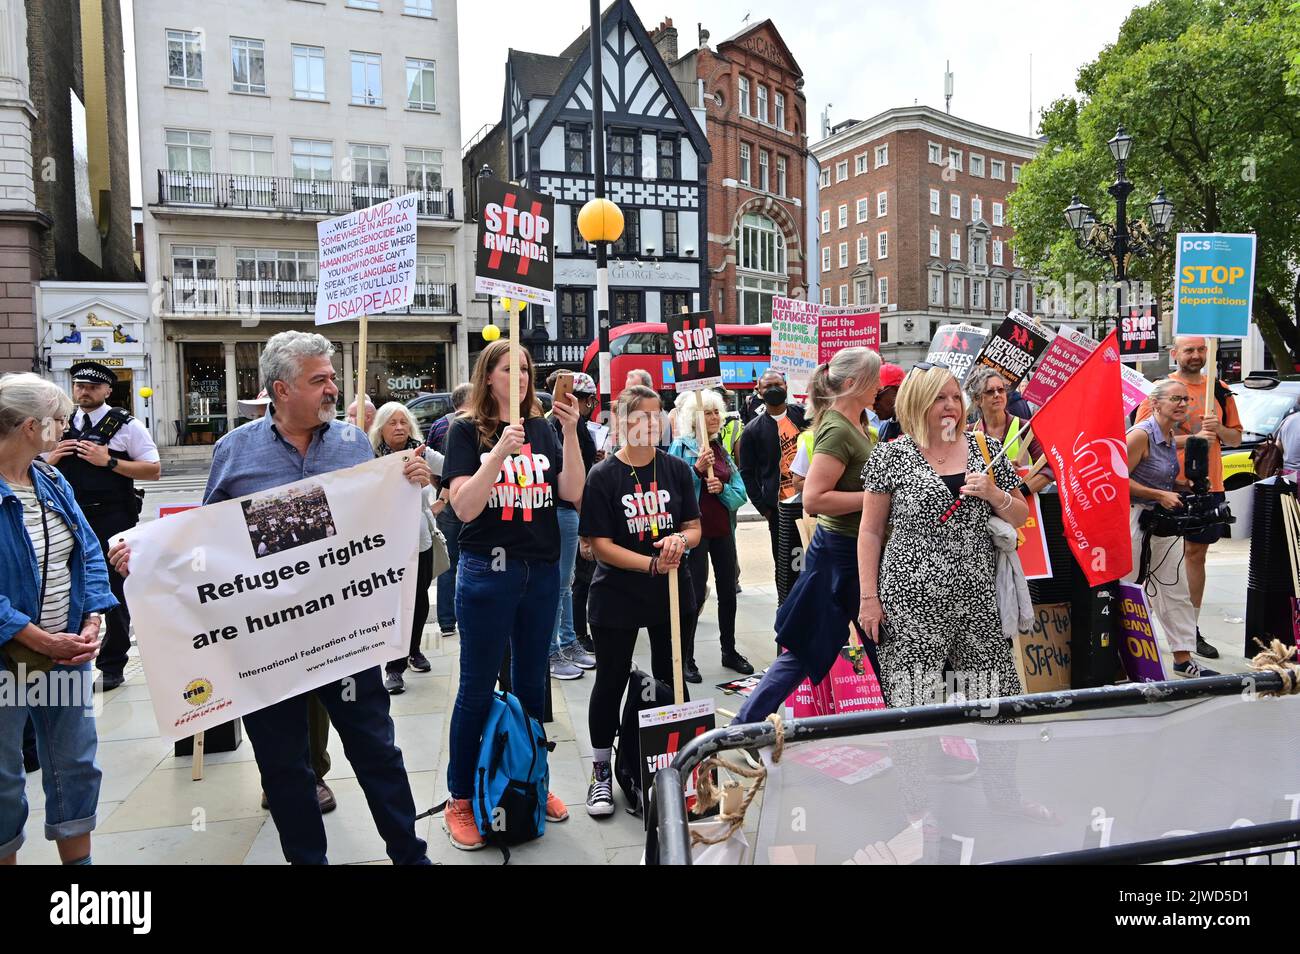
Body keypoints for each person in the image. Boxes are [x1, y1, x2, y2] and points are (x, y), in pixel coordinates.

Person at [109, 331, 434, 865]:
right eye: (320, 380)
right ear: (281, 390)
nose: (334, 388)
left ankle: (409, 854)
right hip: (267, 649)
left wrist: (411, 481)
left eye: (332, 377)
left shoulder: (354, 444)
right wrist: (143, 555)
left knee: (377, 750)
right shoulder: (234, 451)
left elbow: (375, 519)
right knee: (284, 766)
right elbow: (205, 538)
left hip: (343, 637)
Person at [441, 340, 584, 850]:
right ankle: (460, 797)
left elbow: (572, 493)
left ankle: (528, 778)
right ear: (488, 376)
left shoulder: (544, 427)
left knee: (531, 684)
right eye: (509, 369)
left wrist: (569, 433)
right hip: (487, 573)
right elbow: (464, 507)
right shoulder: (464, 431)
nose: (520, 377)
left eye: (526, 368)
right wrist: (500, 450)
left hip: (540, 573)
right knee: (477, 686)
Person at [856, 365, 1028, 707]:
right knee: (912, 705)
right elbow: (871, 531)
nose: (951, 405)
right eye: (939, 398)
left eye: (955, 397)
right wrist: (868, 599)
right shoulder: (892, 455)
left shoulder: (986, 449)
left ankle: (999, 762)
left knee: (996, 702)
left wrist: (995, 495)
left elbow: (1020, 514)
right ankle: (919, 762)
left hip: (977, 598)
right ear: (917, 403)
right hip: (911, 600)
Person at [0, 373, 115, 865]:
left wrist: (92, 615)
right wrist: (37, 640)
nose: (67, 427)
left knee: (75, 763)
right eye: (59, 421)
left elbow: (88, 549)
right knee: (4, 773)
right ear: (31, 427)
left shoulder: (48, 477)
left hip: (67, 650)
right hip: (9, 657)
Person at [733, 348, 881, 722]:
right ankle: (739, 729)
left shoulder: (859, 426)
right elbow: (813, 498)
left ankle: (907, 730)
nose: (880, 386)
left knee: (884, 647)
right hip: (838, 556)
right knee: (801, 650)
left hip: (854, 554)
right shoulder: (836, 429)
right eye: (874, 378)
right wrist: (877, 499)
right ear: (852, 384)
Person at [579, 385, 700, 816]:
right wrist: (649, 565)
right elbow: (601, 545)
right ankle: (600, 771)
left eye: (657, 415)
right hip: (617, 595)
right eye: (640, 416)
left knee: (673, 677)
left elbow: (693, 527)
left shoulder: (677, 470)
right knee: (610, 679)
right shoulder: (605, 476)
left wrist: (678, 542)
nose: (650, 423)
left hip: (670, 594)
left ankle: (673, 762)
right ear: (622, 422)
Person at [44, 360, 160, 693]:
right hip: (65, 518)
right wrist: (50, 459)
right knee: (65, 587)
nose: (84, 392)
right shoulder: (59, 424)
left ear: (108, 390)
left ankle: (112, 664)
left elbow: (153, 470)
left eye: (93, 387)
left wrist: (108, 461)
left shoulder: (126, 425)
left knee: (116, 591)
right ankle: (67, 655)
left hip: (112, 518)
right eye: (79, 385)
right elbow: (27, 463)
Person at [1134, 336, 1241, 660]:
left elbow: (1235, 437)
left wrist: (1218, 429)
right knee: (1153, 560)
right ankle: (1145, 628)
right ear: (1175, 353)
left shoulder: (1219, 390)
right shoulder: (1160, 391)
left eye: (1201, 349)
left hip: (1208, 486)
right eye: (1189, 350)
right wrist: (1191, 438)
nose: (1195, 355)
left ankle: (1189, 631)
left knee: (1195, 557)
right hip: (1165, 487)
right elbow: (1145, 438)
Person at [1125, 379, 1216, 678]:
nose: (1182, 404)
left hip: (1163, 523)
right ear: (1155, 403)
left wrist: (1179, 487)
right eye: (1175, 398)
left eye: (1185, 400)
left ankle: (1182, 658)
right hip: (1135, 521)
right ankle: (1124, 657)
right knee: (1130, 588)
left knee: (1174, 588)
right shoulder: (1140, 436)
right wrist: (1159, 494)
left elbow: (1160, 482)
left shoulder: (1169, 435)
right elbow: (1116, 481)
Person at [669, 388, 751, 680]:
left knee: (728, 590)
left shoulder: (720, 450)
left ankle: (728, 649)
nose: (715, 417)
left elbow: (740, 493)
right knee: (694, 595)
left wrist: (722, 489)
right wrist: (695, 470)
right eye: (708, 412)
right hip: (695, 533)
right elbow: (671, 490)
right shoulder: (681, 447)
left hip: (722, 530)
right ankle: (686, 657)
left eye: (717, 411)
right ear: (694, 418)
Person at [369, 402, 444, 694]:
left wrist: (444, 498)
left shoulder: (422, 451)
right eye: (392, 422)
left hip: (420, 538)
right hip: (387, 543)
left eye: (403, 421)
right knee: (397, 603)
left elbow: (456, 467)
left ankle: (414, 649)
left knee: (419, 597)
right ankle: (394, 667)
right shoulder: (371, 455)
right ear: (381, 428)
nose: (399, 427)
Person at [546, 371, 598, 680]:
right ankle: (553, 649)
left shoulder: (574, 425)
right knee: (560, 583)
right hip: (563, 510)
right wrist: (586, 527)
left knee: (566, 582)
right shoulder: (559, 426)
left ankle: (567, 642)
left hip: (570, 511)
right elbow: (570, 482)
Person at [737, 369, 807, 584]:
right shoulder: (751, 431)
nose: (774, 389)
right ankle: (785, 609)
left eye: (778, 384)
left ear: (786, 386)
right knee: (786, 566)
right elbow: (747, 473)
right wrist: (764, 509)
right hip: (779, 511)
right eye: (768, 386)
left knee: (810, 564)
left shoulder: (805, 417)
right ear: (758, 391)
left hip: (810, 504)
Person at [965, 367, 1052, 494]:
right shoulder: (969, 433)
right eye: (989, 391)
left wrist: (1020, 492)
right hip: (984, 509)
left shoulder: (1026, 427)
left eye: (1001, 390)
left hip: (1024, 509)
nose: (997, 395)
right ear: (976, 399)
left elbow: (1049, 469)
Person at [429, 382, 471, 640]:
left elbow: (432, 468)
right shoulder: (477, 423)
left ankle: (446, 622)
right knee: (474, 558)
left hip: (446, 502)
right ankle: (467, 615)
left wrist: (443, 491)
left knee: (449, 562)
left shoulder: (439, 425)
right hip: (471, 500)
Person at [873, 363, 906, 442]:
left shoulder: (920, 426)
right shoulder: (884, 428)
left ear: (897, 391)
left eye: (877, 396)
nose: (873, 402)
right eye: (872, 395)